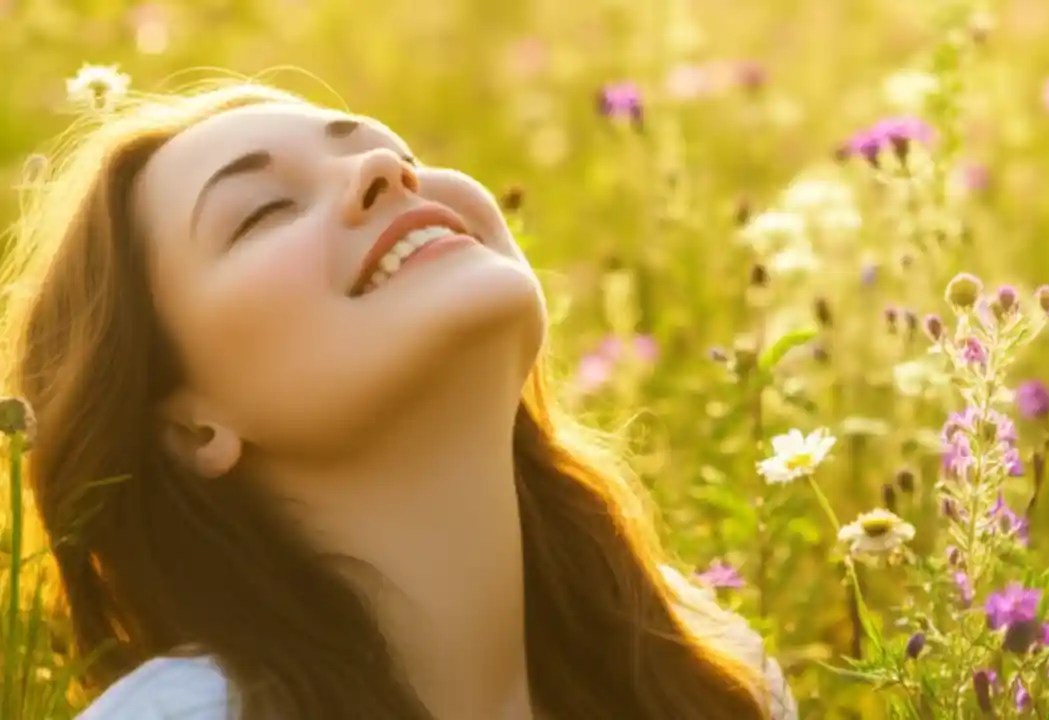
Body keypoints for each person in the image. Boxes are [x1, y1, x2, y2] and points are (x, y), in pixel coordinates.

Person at [0, 79, 798, 720]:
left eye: (396, 151)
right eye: (266, 210)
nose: (387, 171)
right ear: (191, 427)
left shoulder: (716, 681)